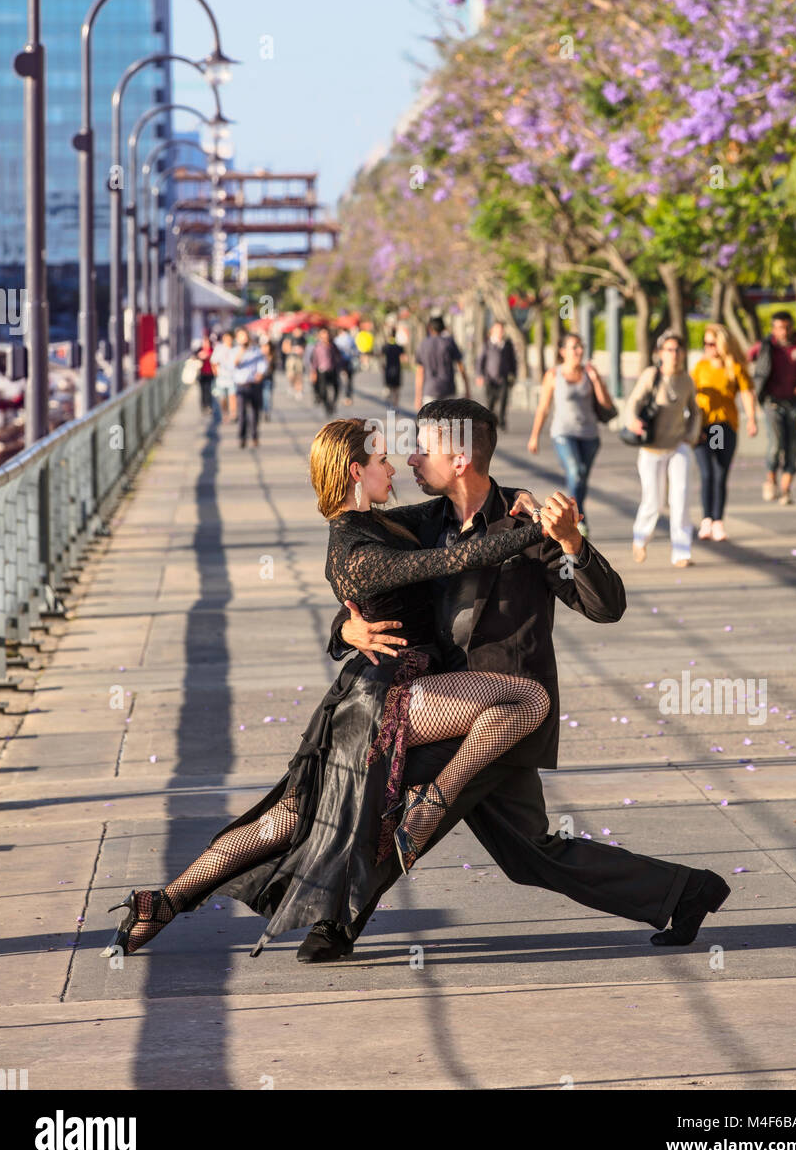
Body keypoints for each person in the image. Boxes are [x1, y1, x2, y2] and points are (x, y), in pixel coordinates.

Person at [102, 418, 559, 959]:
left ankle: (166, 900)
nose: (394, 468)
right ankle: (432, 802)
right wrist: (547, 530)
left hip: (364, 698)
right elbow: (452, 558)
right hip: (387, 697)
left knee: (285, 816)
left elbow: (464, 513)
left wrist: (518, 500)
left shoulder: (380, 525)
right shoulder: (352, 550)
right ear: (354, 471)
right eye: (383, 461)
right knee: (530, 699)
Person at [299, 397, 729, 964]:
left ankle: (334, 924)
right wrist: (344, 629)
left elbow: (607, 606)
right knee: (532, 855)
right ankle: (686, 891)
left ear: (458, 459)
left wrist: (574, 543)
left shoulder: (528, 522)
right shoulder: (418, 524)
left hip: (502, 714)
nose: (409, 459)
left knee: (396, 800)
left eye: (422, 449)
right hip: (440, 703)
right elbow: (363, 573)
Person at [625, 331, 702, 568]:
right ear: (660, 353)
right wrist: (633, 422)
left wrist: (691, 436)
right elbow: (633, 403)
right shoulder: (651, 375)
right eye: (669, 350)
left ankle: (681, 552)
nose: (674, 354)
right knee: (654, 500)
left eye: (678, 350)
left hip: (678, 446)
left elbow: (696, 411)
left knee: (680, 497)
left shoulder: (687, 380)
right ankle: (640, 539)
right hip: (651, 449)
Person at [528, 331, 614, 536]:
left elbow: (607, 405)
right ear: (563, 351)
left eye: (580, 346)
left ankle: (578, 514)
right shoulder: (553, 375)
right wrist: (534, 435)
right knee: (575, 472)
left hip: (590, 435)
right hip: (563, 433)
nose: (579, 350)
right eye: (574, 347)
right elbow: (543, 407)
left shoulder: (589, 373)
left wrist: (596, 379)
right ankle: (579, 517)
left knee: (581, 478)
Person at [748, 310, 796, 507]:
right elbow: (746, 358)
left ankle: (786, 490)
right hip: (772, 402)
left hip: (795, 402)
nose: (784, 331)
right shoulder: (766, 346)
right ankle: (771, 479)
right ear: (773, 329)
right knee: (775, 445)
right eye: (780, 327)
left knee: (792, 447)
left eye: (788, 327)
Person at [692, 324, 758, 541]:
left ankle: (718, 521)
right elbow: (689, 394)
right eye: (706, 343)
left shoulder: (734, 367)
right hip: (701, 426)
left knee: (719, 472)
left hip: (721, 426)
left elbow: (747, 393)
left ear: (722, 344)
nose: (708, 348)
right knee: (706, 473)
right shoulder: (700, 367)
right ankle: (706, 520)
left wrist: (751, 419)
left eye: (712, 343)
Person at [414, 316, 470, 411]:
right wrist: (467, 388)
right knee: (450, 422)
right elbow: (461, 366)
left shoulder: (423, 344)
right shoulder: (449, 342)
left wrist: (418, 396)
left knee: (430, 423)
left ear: (429, 328)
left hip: (430, 390)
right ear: (444, 327)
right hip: (448, 388)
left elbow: (420, 372)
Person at [476, 321, 517, 429]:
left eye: (501, 330)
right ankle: (490, 421)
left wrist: (513, 374)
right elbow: (481, 360)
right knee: (491, 401)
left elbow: (513, 361)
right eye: (497, 330)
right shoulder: (487, 344)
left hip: (503, 378)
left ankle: (502, 420)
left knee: (504, 399)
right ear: (492, 331)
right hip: (490, 378)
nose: (499, 332)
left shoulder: (507, 344)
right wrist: (480, 375)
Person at [233, 329, 267, 448]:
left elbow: (262, 364)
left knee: (254, 412)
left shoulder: (256, 351)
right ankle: (242, 437)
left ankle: (254, 436)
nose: (244, 339)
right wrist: (242, 351)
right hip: (241, 385)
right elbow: (234, 364)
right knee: (242, 413)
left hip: (253, 384)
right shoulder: (235, 351)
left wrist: (260, 374)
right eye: (241, 337)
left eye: (245, 336)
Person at [309, 327, 346, 413]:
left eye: (327, 334)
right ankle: (327, 405)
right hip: (322, 371)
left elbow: (339, 357)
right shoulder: (317, 347)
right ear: (320, 336)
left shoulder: (333, 345)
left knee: (337, 387)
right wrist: (313, 372)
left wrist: (341, 367)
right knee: (323, 390)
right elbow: (314, 360)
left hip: (333, 369)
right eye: (323, 334)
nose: (326, 336)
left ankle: (333, 403)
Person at [211, 330, 238, 424]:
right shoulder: (219, 349)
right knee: (223, 398)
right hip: (222, 377)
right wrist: (215, 372)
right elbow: (213, 361)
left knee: (232, 396)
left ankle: (233, 414)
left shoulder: (236, 349)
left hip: (233, 377)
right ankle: (224, 413)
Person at [334, 326, 359, 406]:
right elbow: (356, 351)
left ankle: (344, 396)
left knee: (343, 379)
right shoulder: (351, 339)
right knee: (350, 380)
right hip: (349, 361)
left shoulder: (337, 339)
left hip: (341, 362)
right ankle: (348, 397)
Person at [380, 328, 405, 408]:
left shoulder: (385, 346)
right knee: (396, 389)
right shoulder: (399, 347)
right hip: (397, 369)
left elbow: (382, 358)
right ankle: (396, 405)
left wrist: (382, 367)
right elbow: (403, 359)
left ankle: (390, 404)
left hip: (388, 368)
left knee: (389, 387)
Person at [195, 331, 216, 415]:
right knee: (203, 391)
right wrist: (199, 356)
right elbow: (194, 357)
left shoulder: (212, 350)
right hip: (201, 373)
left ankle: (209, 405)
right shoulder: (199, 349)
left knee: (209, 390)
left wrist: (207, 356)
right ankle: (203, 406)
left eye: (207, 342)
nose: (205, 343)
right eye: (204, 341)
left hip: (210, 373)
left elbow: (214, 358)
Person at [260, 336, 276, 421]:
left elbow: (273, 369)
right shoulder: (258, 356)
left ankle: (267, 411)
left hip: (268, 379)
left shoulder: (272, 357)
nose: (265, 349)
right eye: (263, 347)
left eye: (266, 347)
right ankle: (262, 410)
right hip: (259, 381)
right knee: (261, 398)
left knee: (267, 396)